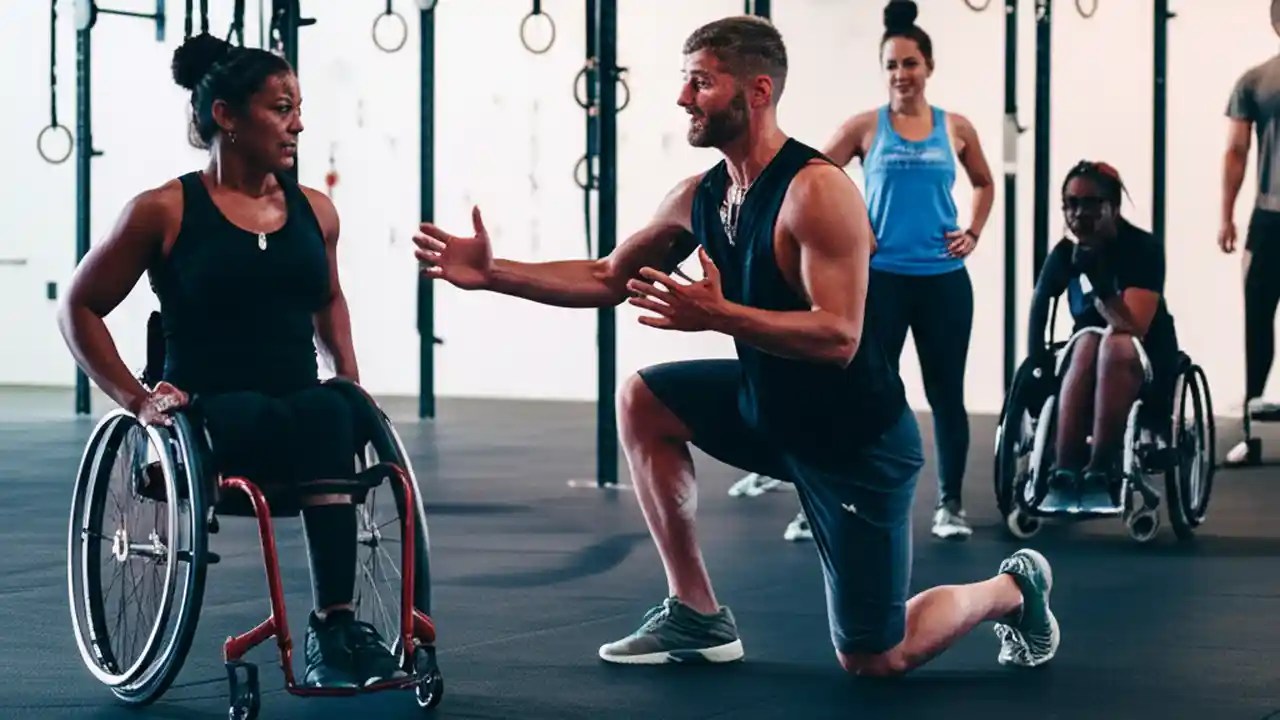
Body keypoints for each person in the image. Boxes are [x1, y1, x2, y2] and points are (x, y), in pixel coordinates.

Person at [415, 15, 1057, 675]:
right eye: (685, 83)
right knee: (644, 397)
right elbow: (609, 276)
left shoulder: (816, 192)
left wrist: (723, 317)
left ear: (755, 92)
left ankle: (1010, 591)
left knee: (875, 658)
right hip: (769, 411)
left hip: (855, 443)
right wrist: (494, 275)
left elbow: (839, 337)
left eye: (700, 83)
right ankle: (694, 612)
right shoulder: (700, 194)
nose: (683, 99)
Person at [56, 32, 402, 689]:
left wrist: (349, 377)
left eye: (298, 107)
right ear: (226, 117)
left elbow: (329, 300)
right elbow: (79, 307)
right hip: (208, 414)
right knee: (270, 416)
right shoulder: (163, 210)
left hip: (299, 408)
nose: (297, 121)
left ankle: (335, 626)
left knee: (337, 412)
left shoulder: (314, 211)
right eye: (280, 107)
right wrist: (138, 399)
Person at [820, 1, 994, 541]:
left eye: (911, 63)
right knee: (870, 390)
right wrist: (856, 229)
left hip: (943, 280)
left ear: (929, 67)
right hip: (883, 280)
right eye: (892, 65)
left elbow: (985, 182)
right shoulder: (865, 127)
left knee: (946, 394)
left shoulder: (956, 127)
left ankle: (950, 505)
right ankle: (853, 496)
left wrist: (974, 231)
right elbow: (817, 177)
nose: (902, 74)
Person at [1029, 161, 1180, 511]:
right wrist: (1036, 366)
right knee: (1085, 343)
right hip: (1089, 352)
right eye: (1071, 203)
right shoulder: (1065, 252)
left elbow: (1134, 327)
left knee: (1112, 342)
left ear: (1113, 206)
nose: (1080, 213)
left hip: (1143, 355)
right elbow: (1040, 308)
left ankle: (1100, 469)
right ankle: (1064, 469)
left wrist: (1097, 281)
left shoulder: (1143, 248)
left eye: (1092, 203)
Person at [1221, 45, 1280, 465]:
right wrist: (1225, 216)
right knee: (1257, 319)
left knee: (1258, 319)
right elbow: (1236, 152)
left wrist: (1227, 217)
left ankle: (1251, 430)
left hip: (1271, 217)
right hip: (1269, 218)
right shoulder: (1254, 81)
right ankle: (1251, 424)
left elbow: (1237, 151)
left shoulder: (1256, 80)